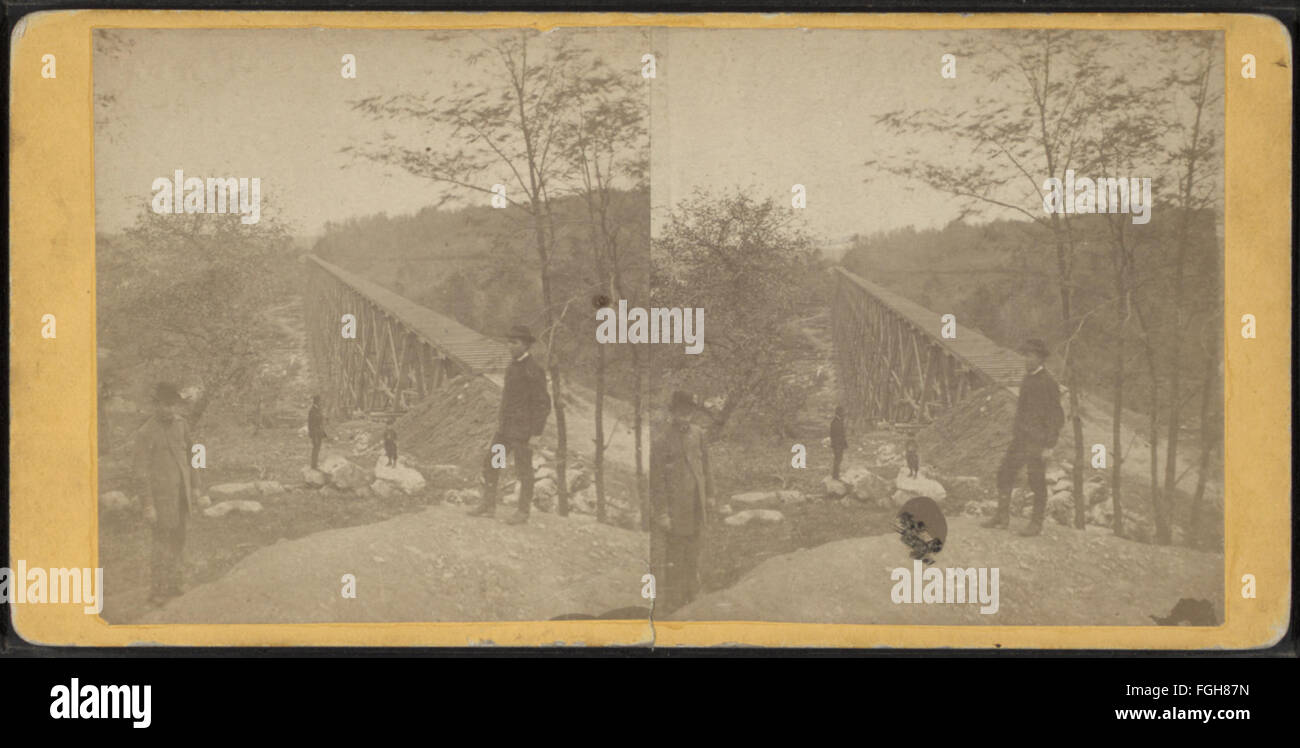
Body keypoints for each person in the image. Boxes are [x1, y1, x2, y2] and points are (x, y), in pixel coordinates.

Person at [468, 325, 551, 525]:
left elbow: (543, 404)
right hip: (505, 430)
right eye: (509, 342)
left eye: (514, 343)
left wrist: (536, 434)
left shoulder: (533, 370)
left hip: (522, 432)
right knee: (491, 464)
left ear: (525, 345)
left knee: (524, 471)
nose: (509, 346)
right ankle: (488, 505)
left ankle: (523, 512)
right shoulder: (512, 366)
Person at [982, 338, 1065, 536]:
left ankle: (1036, 523)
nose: (1027, 360)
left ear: (1040, 359)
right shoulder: (1027, 378)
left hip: (1037, 440)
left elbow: (1057, 416)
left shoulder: (1049, 383)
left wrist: (1049, 446)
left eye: (1031, 356)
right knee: (1004, 473)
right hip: (1020, 438)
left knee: (1036, 480)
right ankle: (1002, 516)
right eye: (1026, 355)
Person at [132, 382, 200, 604]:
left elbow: (196, 453)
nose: (168, 409)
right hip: (161, 500)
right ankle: (158, 590)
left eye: (172, 405)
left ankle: (176, 582)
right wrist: (148, 505)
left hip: (182, 496)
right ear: (156, 405)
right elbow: (140, 473)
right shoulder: (145, 433)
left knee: (180, 539)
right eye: (163, 405)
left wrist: (197, 486)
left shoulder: (182, 425)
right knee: (161, 544)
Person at [650, 390, 716, 613]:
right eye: (680, 411)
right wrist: (662, 514)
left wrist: (710, 495)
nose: (685, 415)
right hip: (676, 508)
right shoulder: (661, 440)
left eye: (688, 411)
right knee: (675, 556)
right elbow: (657, 481)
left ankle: (693, 596)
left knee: (694, 552)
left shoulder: (699, 434)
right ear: (673, 412)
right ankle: (673, 602)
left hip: (697, 504)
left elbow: (706, 467)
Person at [307, 395, 327, 469]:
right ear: (317, 401)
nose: (321, 402)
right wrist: (312, 434)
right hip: (315, 432)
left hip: (319, 432)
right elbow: (310, 424)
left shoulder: (318, 409)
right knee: (315, 448)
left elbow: (321, 422)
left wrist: (323, 432)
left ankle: (315, 464)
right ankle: (313, 465)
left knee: (318, 448)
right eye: (320, 401)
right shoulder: (312, 411)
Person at [829, 406, 848, 480]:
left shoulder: (839, 421)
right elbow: (836, 436)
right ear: (839, 413)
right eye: (843, 412)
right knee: (837, 459)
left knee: (839, 459)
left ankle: (836, 475)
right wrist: (837, 446)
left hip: (839, 444)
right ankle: (835, 475)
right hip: (837, 445)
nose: (844, 414)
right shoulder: (835, 422)